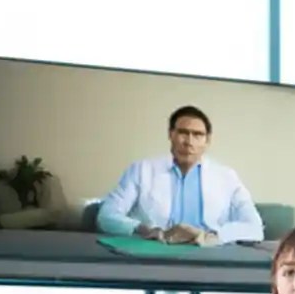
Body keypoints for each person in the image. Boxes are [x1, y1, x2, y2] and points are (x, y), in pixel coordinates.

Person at [96, 105, 264, 245]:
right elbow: (106, 216)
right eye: (183, 133)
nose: (189, 142)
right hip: (155, 247)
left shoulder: (227, 177)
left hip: (207, 252)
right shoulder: (142, 169)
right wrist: (145, 230)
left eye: (198, 135)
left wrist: (212, 235)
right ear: (171, 135)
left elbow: (254, 227)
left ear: (207, 140)